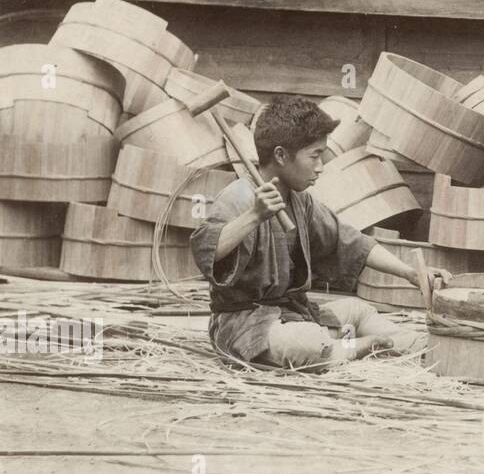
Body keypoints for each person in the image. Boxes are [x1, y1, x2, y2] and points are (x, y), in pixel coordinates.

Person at [191, 96, 450, 369]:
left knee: (357, 310)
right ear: (280, 155)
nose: (320, 166)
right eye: (314, 155)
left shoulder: (301, 200)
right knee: (305, 342)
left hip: (292, 314)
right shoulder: (238, 196)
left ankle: (416, 346)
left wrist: (409, 273)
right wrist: (254, 215)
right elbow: (208, 251)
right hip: (245, 327)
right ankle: (354, 347)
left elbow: (349, 241)